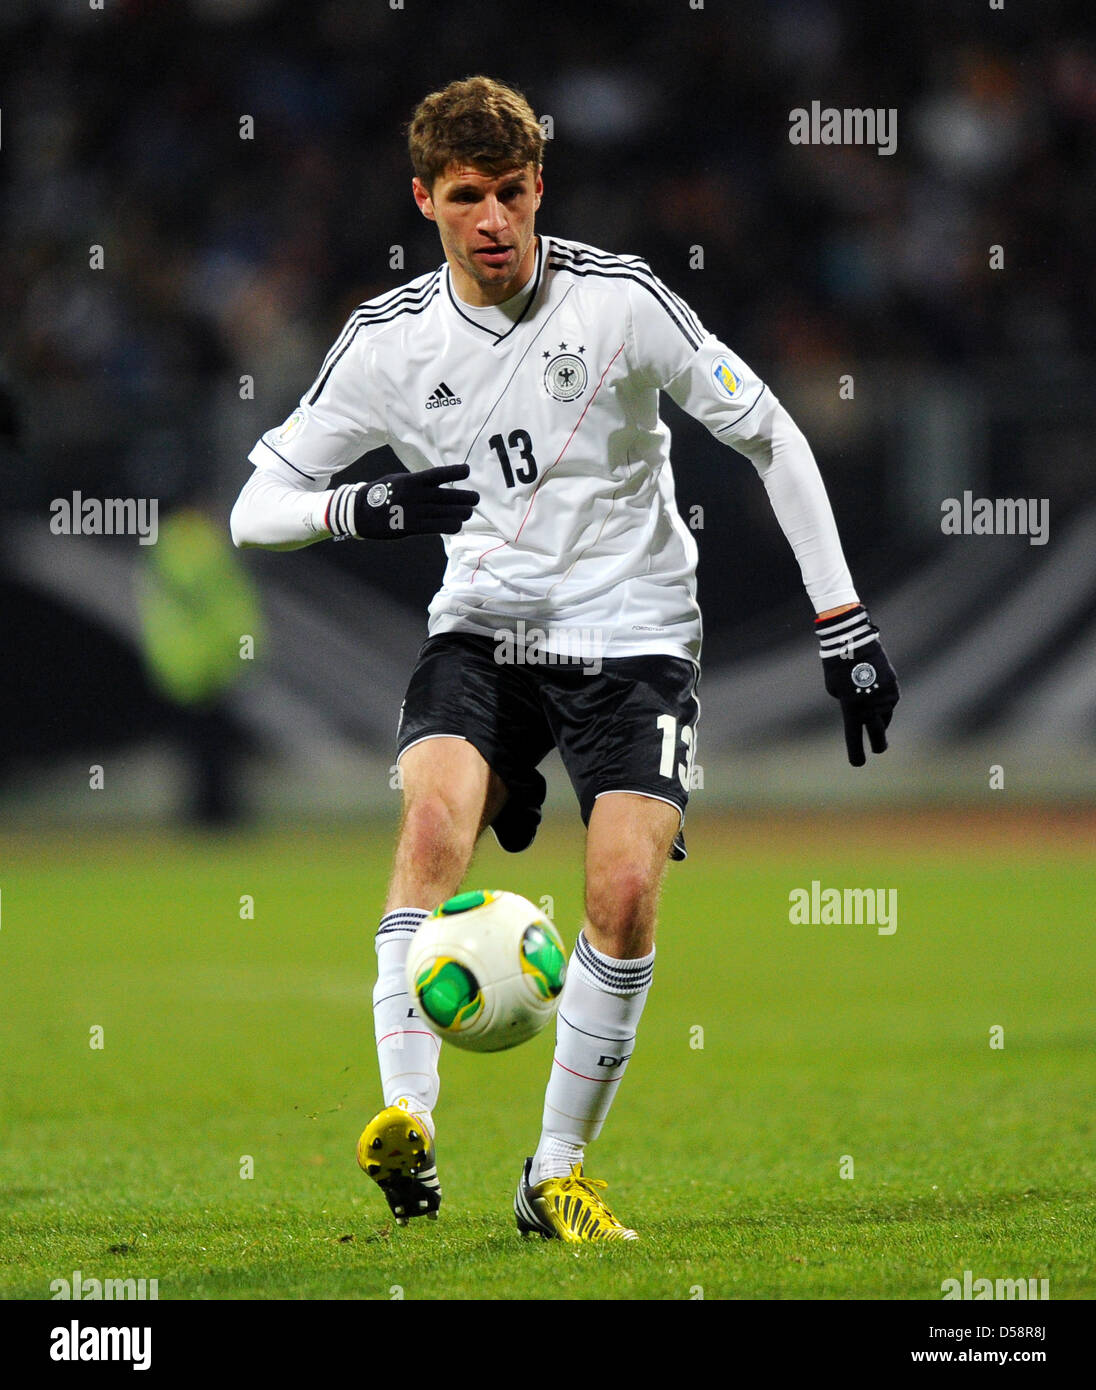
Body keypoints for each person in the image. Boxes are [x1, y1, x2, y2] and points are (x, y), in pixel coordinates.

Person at [229, 75, 899, 1242]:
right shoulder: (387, 343)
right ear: (424, 200)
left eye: (511, 193)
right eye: (465, 198)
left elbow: (770, 433)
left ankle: (554, 1177)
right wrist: (364, 509)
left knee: (627, 895)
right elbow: (255, 511)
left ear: (540, 188)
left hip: (632, 633)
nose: (492, 222)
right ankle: (408, 1123)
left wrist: (842, 622)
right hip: (482, 630)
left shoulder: (622, 303)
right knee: (432, 830)